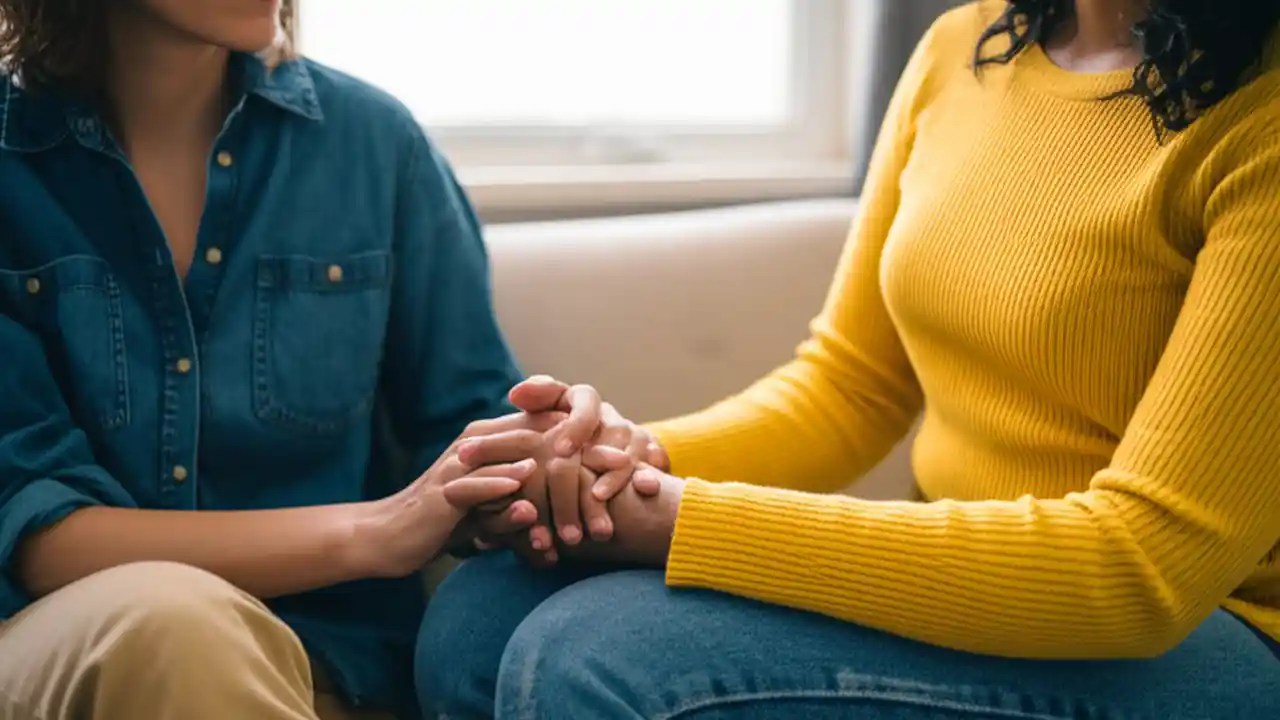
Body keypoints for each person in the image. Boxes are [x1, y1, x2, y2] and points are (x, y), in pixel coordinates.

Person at [419, 1, 1280, 718]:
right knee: (481, 613)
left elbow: (1142, 569)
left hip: (1210, 632)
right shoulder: (963, 47)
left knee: (592, 657)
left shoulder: (1261, 120)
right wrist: (611, 468)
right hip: (977, 584)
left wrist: (677, 517)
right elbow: (851, 386)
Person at [0, 1, 650, 718]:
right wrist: (380, 529)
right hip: (58, 649)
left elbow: (469, 427)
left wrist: (561, 450)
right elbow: (35, 531)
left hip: (335, 671)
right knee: (175, 626)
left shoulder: (376, 143)